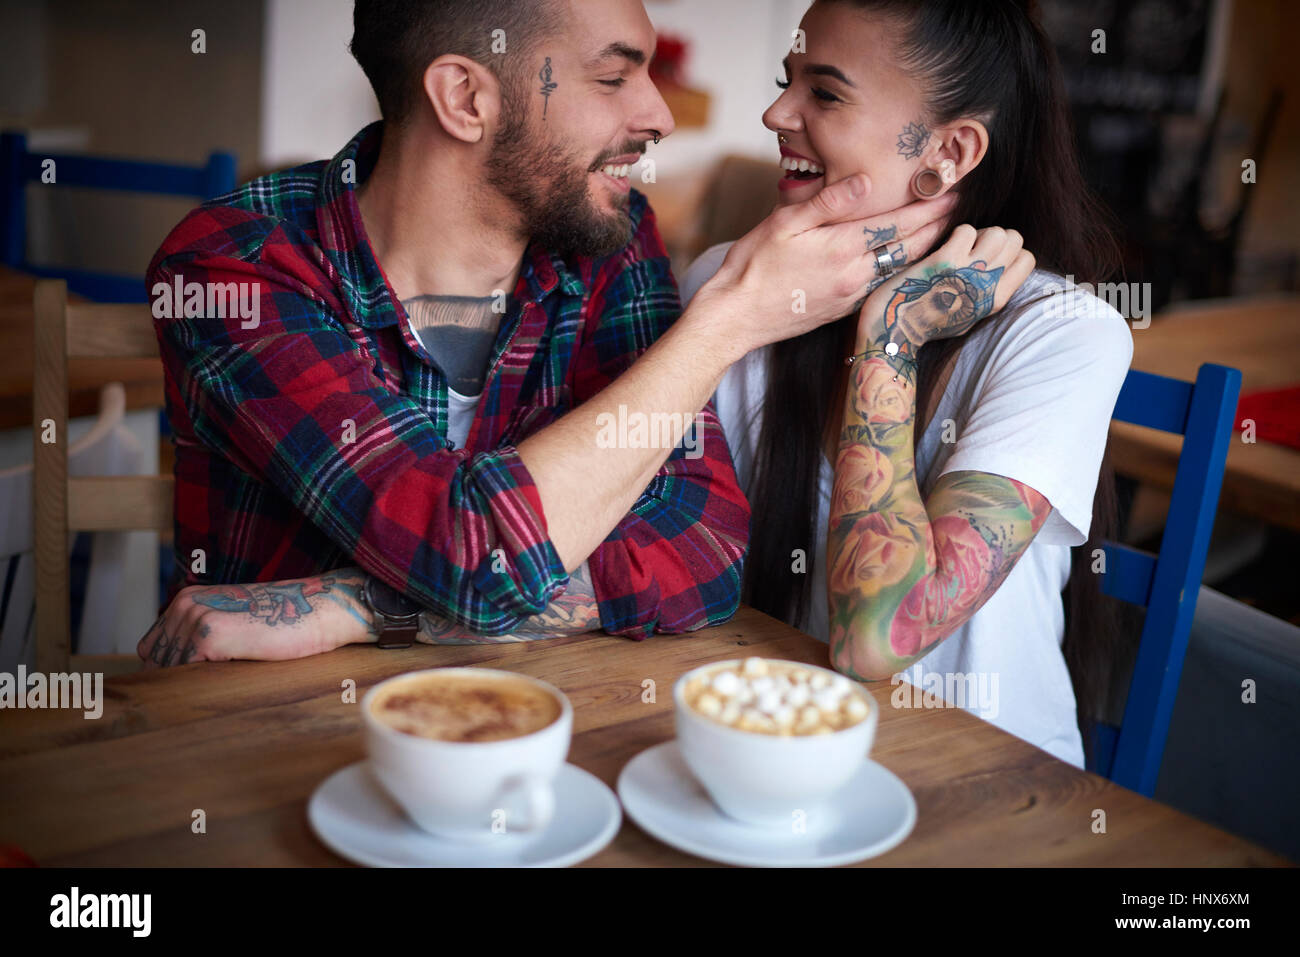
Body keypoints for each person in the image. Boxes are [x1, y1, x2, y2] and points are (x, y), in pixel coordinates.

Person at [137, 0, 956, 664]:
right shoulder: (234, 270)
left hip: (537, 730)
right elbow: (468, 553)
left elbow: (702, 547)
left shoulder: (604, 236)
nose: (660, 115)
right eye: (613, 78)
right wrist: (727, 319)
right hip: (272, 751)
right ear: (465, 99)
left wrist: (350, 605)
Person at [682, 0, 1132, 768]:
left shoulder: (1067, 331)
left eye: (824, 94)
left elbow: (877, 636)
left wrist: (891, 333)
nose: (775, 112)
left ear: (951, 150)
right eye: (785, 81)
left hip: (988, 795)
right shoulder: (730, 286)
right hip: (775, 757)